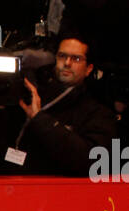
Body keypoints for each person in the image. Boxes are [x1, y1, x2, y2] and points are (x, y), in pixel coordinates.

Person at [6, 35, 119, 176]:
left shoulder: (99, 113)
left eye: (76, 59)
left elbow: (93, 162)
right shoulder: (32, 95)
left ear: (89, 69)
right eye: (62, 56)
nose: (67, 63)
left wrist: (40, 119)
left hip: (61, 191)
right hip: (13, 184)